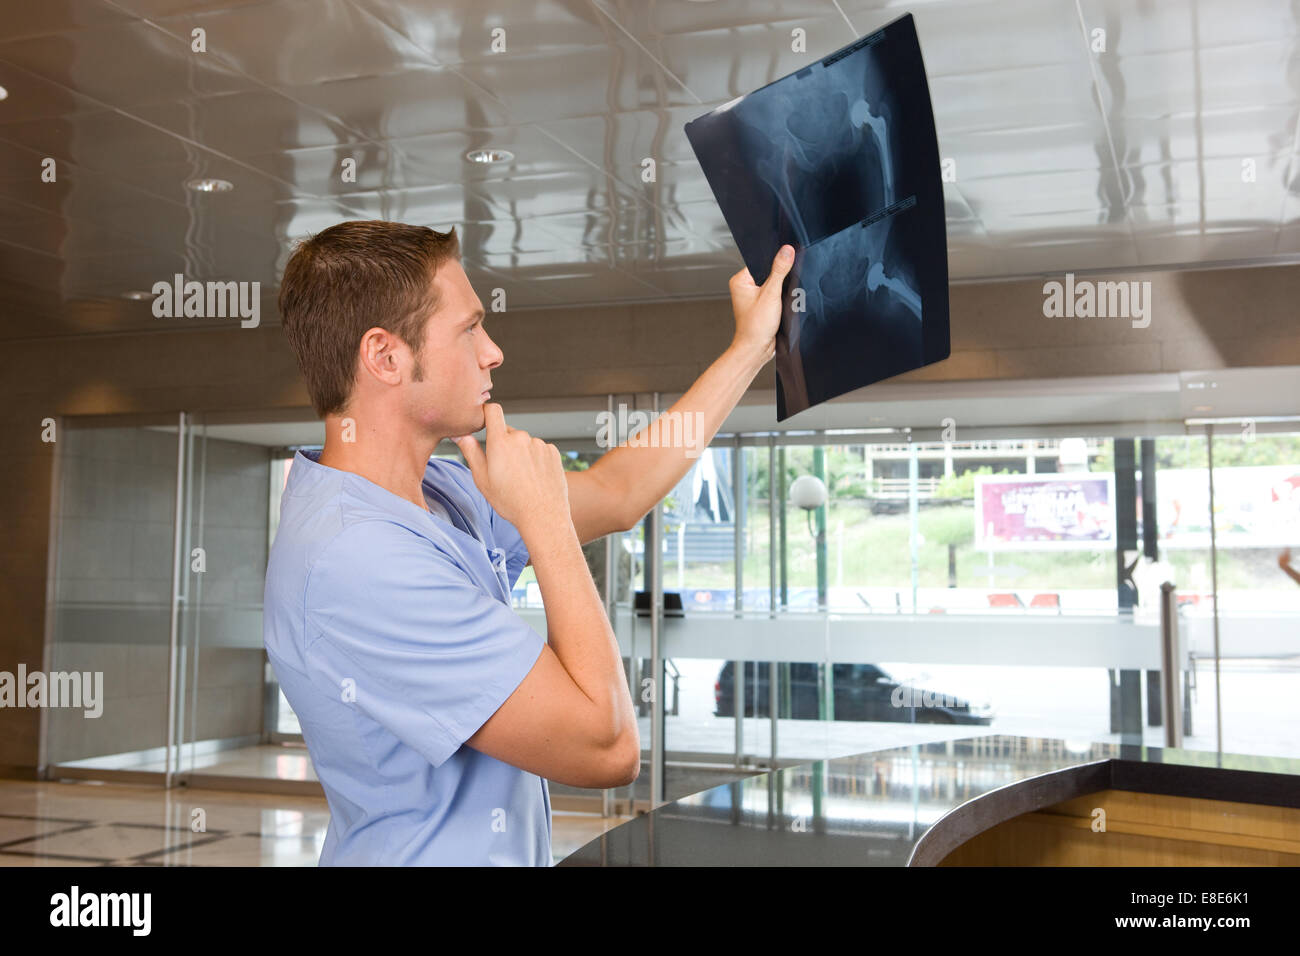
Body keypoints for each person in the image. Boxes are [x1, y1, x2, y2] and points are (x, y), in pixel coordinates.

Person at [263, 219, 795, 865]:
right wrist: (545, 526)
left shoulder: (436, 487)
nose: (493, 352)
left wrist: (749, 348)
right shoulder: (359, 556)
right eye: (468, 328)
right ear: (386, 356)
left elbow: (618, 492)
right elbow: (606, 748)